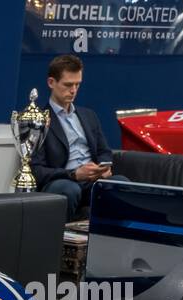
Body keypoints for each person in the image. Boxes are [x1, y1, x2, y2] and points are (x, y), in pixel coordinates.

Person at [31, 54, 127, 220]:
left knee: (121, 183)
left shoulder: (88, 115)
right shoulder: (38, 119)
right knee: (69, 189)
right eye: (68, 85)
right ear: (51, 83)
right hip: (63, 181)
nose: (73, 90)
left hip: (92, 181)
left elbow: (105, 151)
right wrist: (74, 174)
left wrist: (104, 167)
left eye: (77, 84)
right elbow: (36, 170)